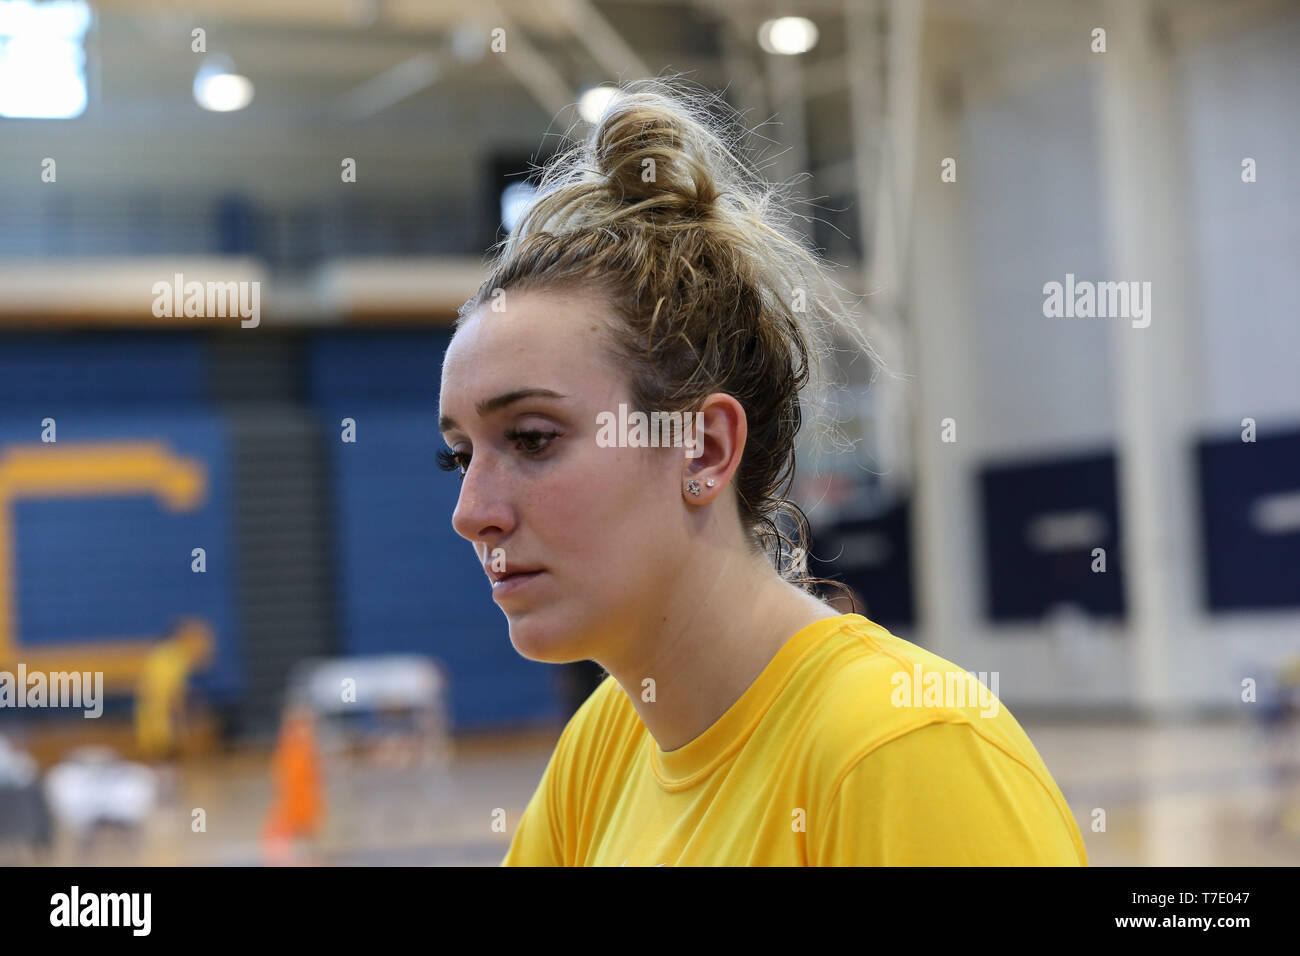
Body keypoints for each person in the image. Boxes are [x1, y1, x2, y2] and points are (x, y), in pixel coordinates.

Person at [436, 79, 1087, 866]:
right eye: (461, 456)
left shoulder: (904, 751)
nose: (472, 512)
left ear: (705, 449)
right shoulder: (603, 747)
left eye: (533, 439)